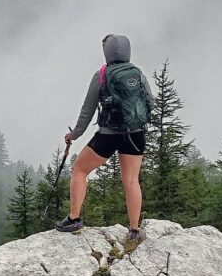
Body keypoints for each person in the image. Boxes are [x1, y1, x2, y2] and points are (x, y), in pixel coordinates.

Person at [55, 33, 151, 246]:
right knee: (131, 181)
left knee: (80, 169)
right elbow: (149, 102)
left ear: (107, 52)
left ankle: (74, 219)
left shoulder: (101, 75)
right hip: (135, 134)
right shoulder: (138, 74)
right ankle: (134, 230)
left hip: (107, 136)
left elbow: (87, 110)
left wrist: (75, 135)